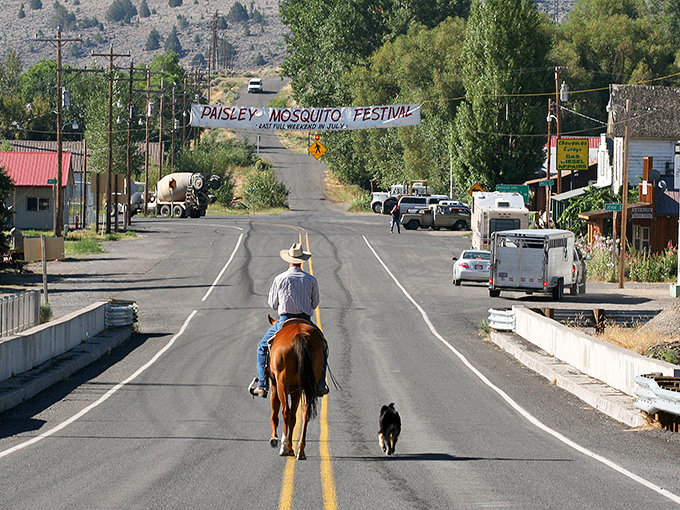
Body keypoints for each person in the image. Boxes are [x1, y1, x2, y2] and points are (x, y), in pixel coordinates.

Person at [249, 243, 329, 398]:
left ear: (289, 260)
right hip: (305, 320)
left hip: (284, 320)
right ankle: (320, 384)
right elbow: (315, 303)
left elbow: (272, 304)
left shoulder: (279, 278)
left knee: (262, 347)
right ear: (302, 261)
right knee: (323, 347)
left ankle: (262, 386)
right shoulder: (311, 279)